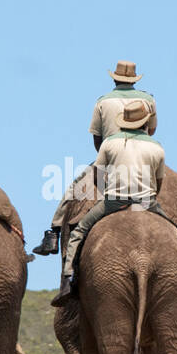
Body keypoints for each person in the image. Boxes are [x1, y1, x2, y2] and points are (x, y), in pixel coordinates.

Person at [52, 99, 177, 305]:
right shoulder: (156, 147)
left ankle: (67, 280)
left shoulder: (110, 143)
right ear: (145, 123)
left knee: (78, 232)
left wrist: (104, 195)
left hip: (114, 201)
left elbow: (98, 174)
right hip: (146, 201)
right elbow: (158, 182)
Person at [32, 61, 156, 255]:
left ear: (114, 78)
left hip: (111, 155)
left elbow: (97, 137)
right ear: (134, 79)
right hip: (145, 156)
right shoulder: (148, 99)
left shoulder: (102, 101)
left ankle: (54, 234)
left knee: (74, 189)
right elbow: (153, 131)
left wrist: (107, 153)